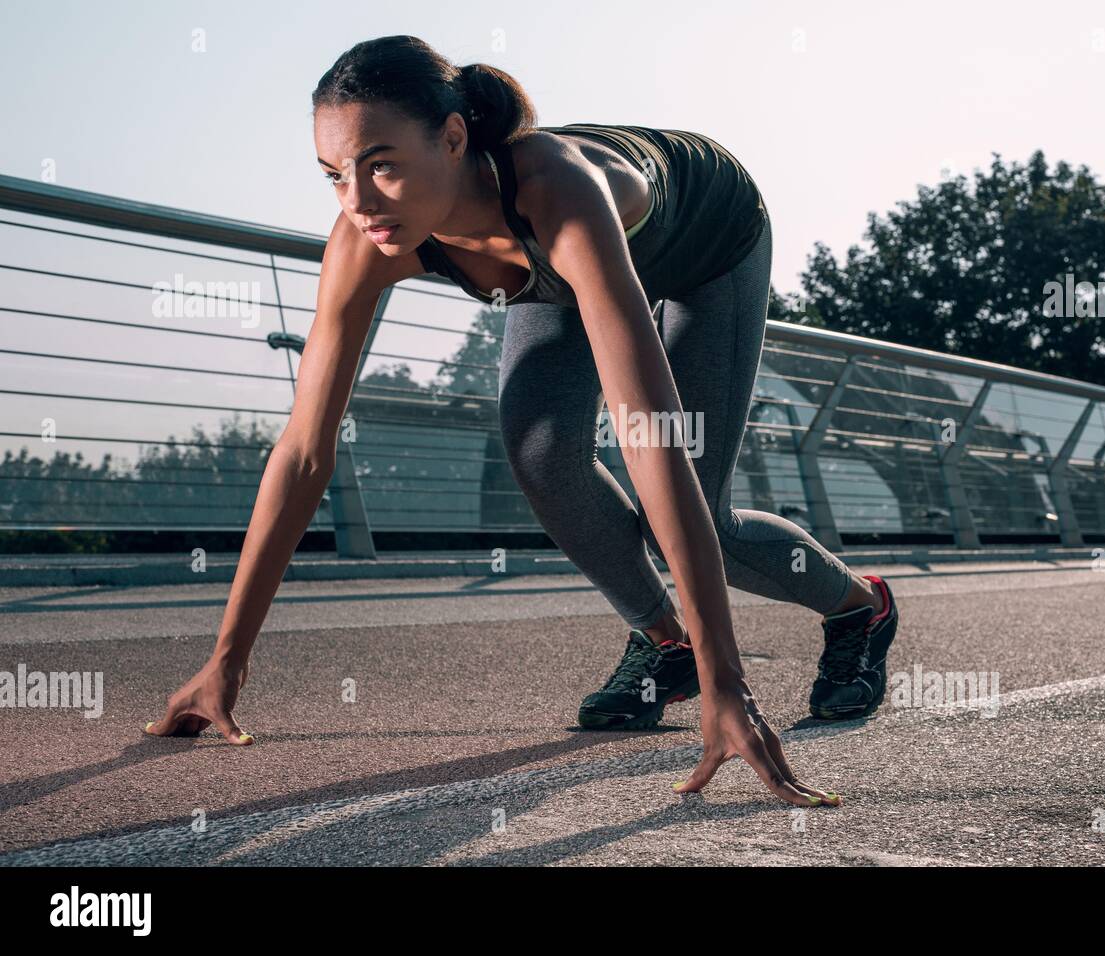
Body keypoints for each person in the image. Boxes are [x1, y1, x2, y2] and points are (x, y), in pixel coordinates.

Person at [145, 35, 900, 808]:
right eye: (334, 174)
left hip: (709, 243)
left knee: (697, 512)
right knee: (540, 452)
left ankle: (859, 608)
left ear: (453, 137)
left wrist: (728, 682)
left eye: (382, 163)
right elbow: (306, 452)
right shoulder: (363, 240)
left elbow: (648, 432)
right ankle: (663, 643)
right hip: (559, 276)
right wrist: (225, 660)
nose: (358, 201)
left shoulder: (560, 193)